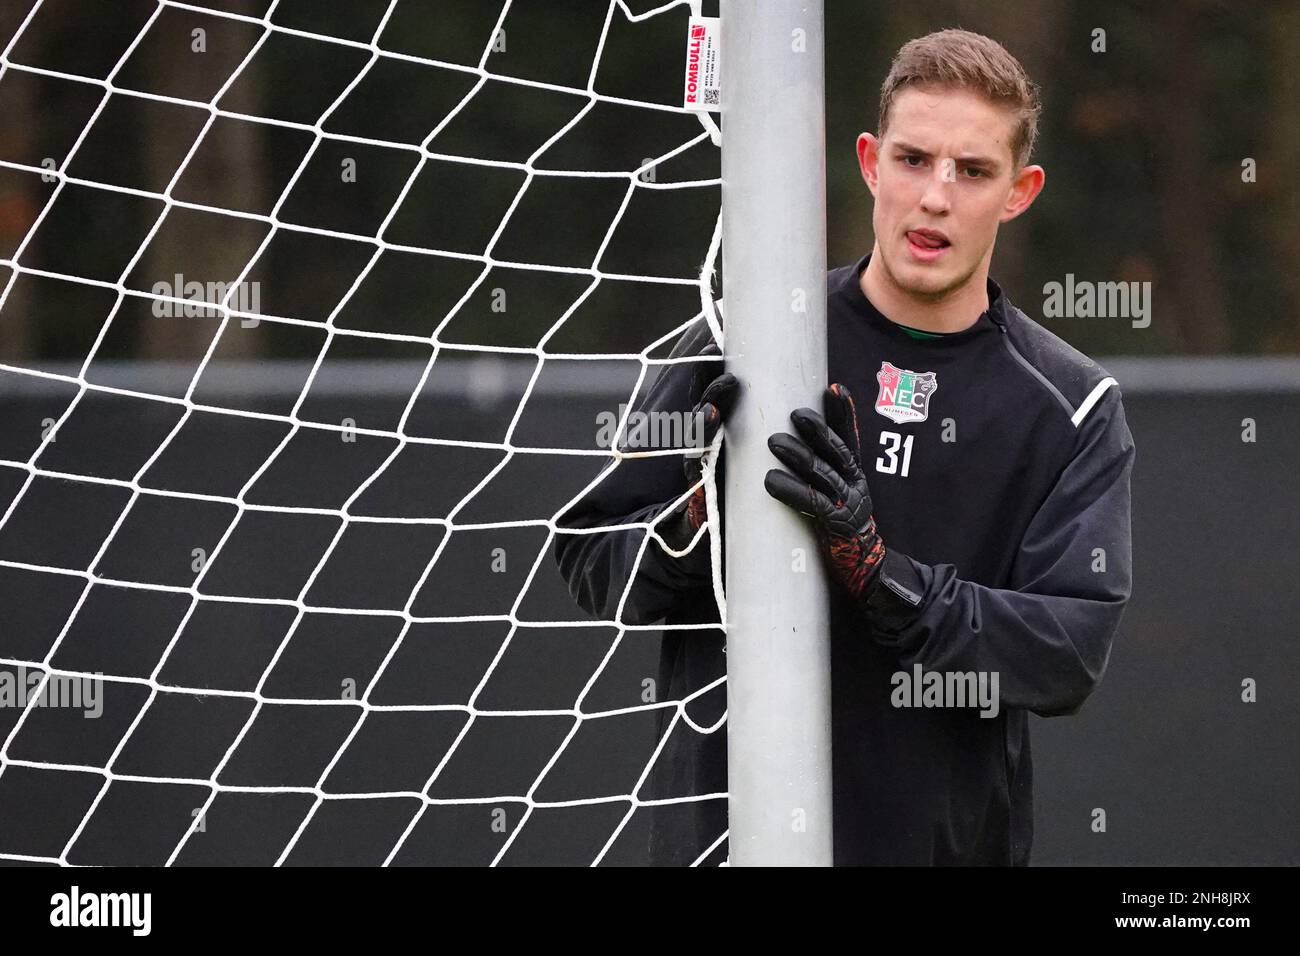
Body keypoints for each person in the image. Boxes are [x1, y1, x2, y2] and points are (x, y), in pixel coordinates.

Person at [554, 28, 1135, 866]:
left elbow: (1067, 653)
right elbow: (588, 557)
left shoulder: (1071, 408)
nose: (936, 196)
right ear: (869, 161)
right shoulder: (735, 341)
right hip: (725, 846)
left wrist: (880, 576)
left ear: (1019, 190)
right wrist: (696, 521)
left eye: (972, 171)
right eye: (913, 159)